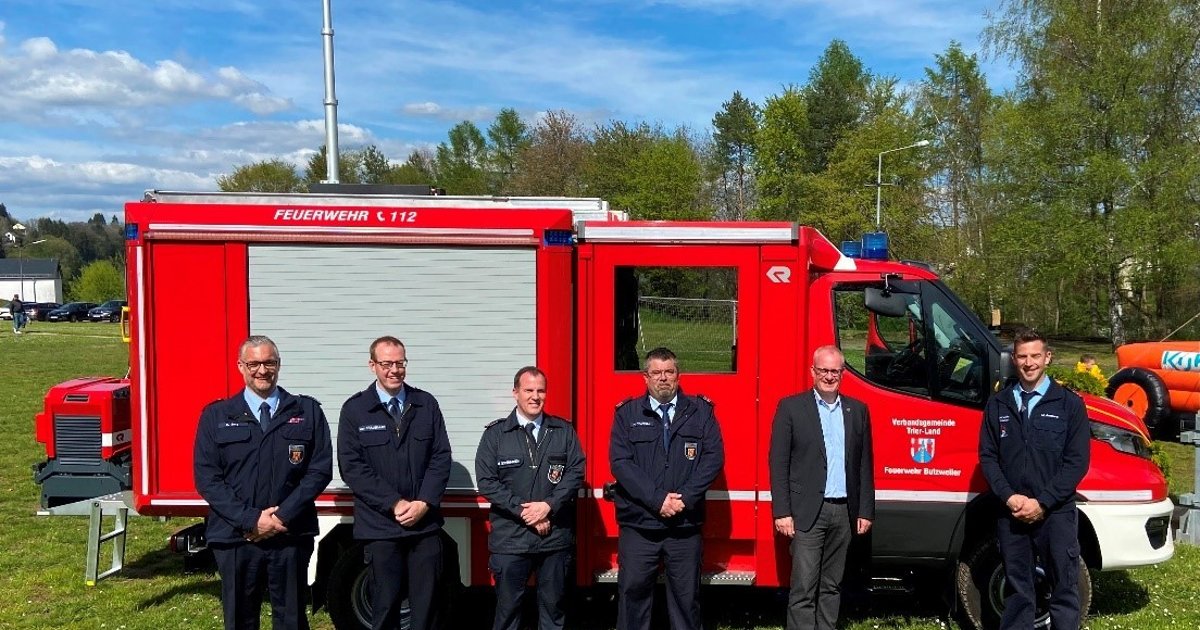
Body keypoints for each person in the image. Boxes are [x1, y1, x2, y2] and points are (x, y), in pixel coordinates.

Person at [193, 335, 333, 630]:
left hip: (290, 533)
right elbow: (208, 477)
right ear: (240, 367)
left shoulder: (306, 411)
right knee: (240, 617)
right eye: (254, 363)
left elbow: (318, 471)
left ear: (278, 365)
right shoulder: (216, 415)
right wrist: (251, 520)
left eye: (269, 362)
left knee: (292, 617)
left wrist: (279, 517)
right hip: (234, 537)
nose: (262, 370)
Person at [338, 336, 452, 630]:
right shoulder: (355, 410)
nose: (394, 370)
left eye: (400, 363)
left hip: (424, 525)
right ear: (372, 365)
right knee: (385, 604)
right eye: (386, 363)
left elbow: (441, 457)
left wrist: (424, 503)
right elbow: (352, 467)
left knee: (426, 606)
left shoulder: (425, 404)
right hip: (381, 526)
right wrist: (395, 503)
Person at [979, 329, 1090, 629]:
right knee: (1018, 591)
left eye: (1035, 356)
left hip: (1056, 514)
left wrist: (1043, 502)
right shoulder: (999, 404)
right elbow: (988, 458)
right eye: (1023, 356)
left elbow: (1077, 463)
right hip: (1012, 512)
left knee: (1064, 590)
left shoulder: (1069, 405)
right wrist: (1009, 497)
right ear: (1014, 359)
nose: (1029, 363)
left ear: (1047, 358)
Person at [609, 347, 725, 630]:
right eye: (656, 373)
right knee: (632, 597)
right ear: (645, 377)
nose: (663, 378)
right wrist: (657, 499)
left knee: (686, 602)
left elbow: (713, 459)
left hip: (684, 525)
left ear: (678, 375)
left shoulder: (701, 412)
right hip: (640, 524)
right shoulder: (627, 414)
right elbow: (621, 463)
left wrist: (682, 499)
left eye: (669, 372)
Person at [768, 344, 875, 630]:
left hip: (843, 512)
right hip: (806, 512)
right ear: (812, 372)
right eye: (824, 370)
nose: (829, 376)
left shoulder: (858, 411)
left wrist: (865, 509)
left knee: (832, 585)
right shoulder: (791, 408)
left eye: (835, 371)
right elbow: (778, 463)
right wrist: (782, 511)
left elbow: (864, 464)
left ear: (843, 373)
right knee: (803, 586)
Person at [475, 366, 585, 630]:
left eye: (540, 390)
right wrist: (527, 512)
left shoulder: (562, 431)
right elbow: (487, 482)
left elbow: (575, 472)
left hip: (554, 540)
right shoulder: (495, 435)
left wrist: (548, 506)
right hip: (511, 541)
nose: (535, 397)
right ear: (515, 393)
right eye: (528, 390)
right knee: (508, 614)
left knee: (553, 613)